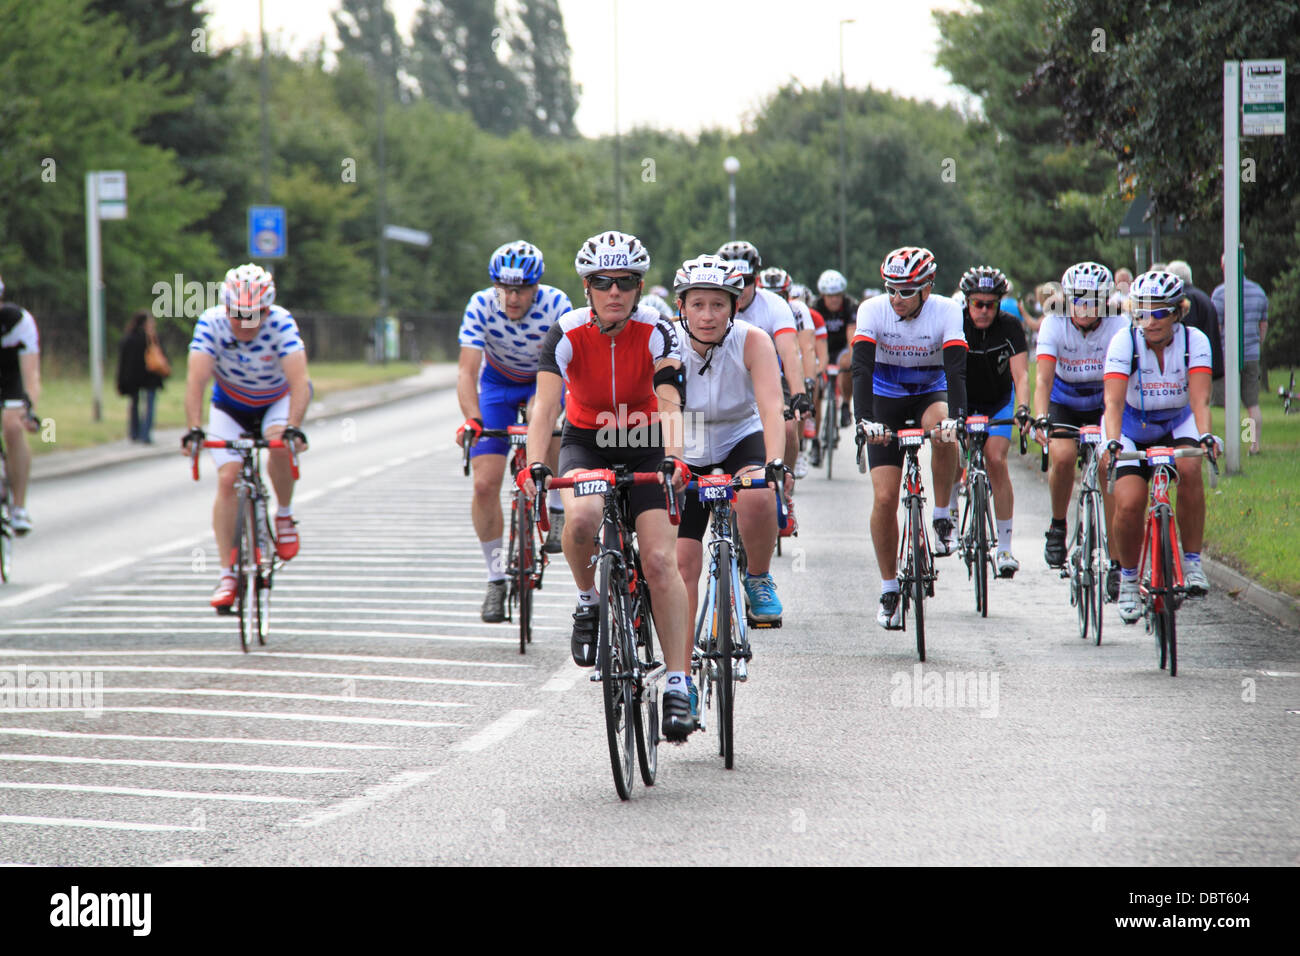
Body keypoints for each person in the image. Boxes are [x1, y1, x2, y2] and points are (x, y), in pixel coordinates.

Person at [518, 230, 696, 742]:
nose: (614, 291)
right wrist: (534, 463)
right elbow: (546, 406)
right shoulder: (567, 332)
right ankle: (588, 602)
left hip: (645, 440)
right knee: (581, 519)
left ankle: (679, 682)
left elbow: (670, 402)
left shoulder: (660, 329)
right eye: (602, 282)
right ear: (586, 285)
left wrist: (676, 460)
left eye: (624, 282)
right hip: (587, 440)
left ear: (639, 287)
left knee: (661, 561)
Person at [181, 264, 310, 611]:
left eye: (253, 314)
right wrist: (194, 427)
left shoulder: (281, 323)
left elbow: (300, 383)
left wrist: (294, 425)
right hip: (230, 405)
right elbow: (196, 381)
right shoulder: (211, 322)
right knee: (227, 479)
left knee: (280, 444)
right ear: (226, 308)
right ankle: (227, 574)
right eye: (237, 313)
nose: (243, 322)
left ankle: (283, 514)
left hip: (274, 401)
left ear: (267, 310)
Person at [455, 241, 572, 623]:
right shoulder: (480, 305)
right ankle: (494, 578)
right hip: (498, 386)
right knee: (484, 485)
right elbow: (467, 373)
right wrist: (473, 419)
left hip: (544, 379)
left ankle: (555, 510)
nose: (512, 297)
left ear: (537, 286)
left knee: (546, 418)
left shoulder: (557, 304)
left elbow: (570, 365)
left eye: (521, 289)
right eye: (504, 288)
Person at [674, 255, 792, 628]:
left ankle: (757, 577)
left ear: (734, 307)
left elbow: (773, 408)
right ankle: (685, 663)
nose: (707, 315)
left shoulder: (753, 340)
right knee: (682, 565)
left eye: (718, 304)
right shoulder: (666, 342)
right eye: (698, 305)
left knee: (758, 496)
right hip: (686, 441)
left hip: (740, 433)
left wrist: (775, 464)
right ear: (682, 307)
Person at [853, 246, 967, 630]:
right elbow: (862, 367)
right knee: (885, 498)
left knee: (945, 432)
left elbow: (955, 369)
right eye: (891, 289)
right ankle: (888, 587)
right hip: (884, 399)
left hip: (928, 393)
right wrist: (864, 420)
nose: (897, 299)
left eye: (907, 291)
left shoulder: (948, 310)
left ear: (928, 287)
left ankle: (940, 515)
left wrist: (960, 418)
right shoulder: (872, 310)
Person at [1103, 270, 1215, 621]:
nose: (1148, 321)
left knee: (1190, 465)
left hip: (1176, 422)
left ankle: (1193, 563)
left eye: (1158, 312)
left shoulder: (1195, 341)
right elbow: (1113, 403)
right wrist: (1111, 441)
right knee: (1130, 502)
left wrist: (1207, 436)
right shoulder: (1125, 341)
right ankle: (1128, 579)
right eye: (1141, 312)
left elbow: (1200, 402)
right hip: (1133, 427)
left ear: (1177, 312)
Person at [1031, 262, 1128, 593]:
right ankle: (1058, 526)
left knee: (1108, 466)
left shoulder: (1119, 323)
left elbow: (1126, 381)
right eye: (1078, 300)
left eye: (1093, 300)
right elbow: (1043, 379)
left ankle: (1117, 563)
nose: (1085, 308)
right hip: (1066, 401)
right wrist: (1041, 416)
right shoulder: (1053, 323)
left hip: (1105, 401)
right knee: (1061, 456)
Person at [952, 266, 1030, 576]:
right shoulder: (955, 322)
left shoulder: (1010, 326)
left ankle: (1005, 548)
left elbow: (1022, 374)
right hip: (964, 401)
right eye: (977, 304)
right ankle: (949, 517)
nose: (984, 310)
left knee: (996, 459)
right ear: (967, 301)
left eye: (991, 304)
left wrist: (1023, 408)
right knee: (953, 455)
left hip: (999, 401)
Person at [759, 266, 820, 478]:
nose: (775, 298)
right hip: (753, 370)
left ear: (788, 294)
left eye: (780, 295)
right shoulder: (750, 306)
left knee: (789, 423)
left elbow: (806, 348)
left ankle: (790, 473)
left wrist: (807, 383)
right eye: (769, 293)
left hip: (783, 368)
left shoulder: (797, 310)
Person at [1211, 252, 1268, 454]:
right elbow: (1263, 324)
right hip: (1252, 354)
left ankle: (1234, 442)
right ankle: (1253, 444)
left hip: (1228, 355)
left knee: (1230, 403)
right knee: (1251, 403)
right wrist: (1256, 344)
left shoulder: (1220, 293)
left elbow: (1216, 327)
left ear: (1224, 267)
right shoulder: (1258, 291)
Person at [0, 273, 40, 535]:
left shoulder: (19, 321)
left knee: (12, 427)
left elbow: (32, 376)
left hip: (11, 379)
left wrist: (30, 410)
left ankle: (18, 506)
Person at [1165, 260, 1223, 387]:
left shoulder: (1186, 298)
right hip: (1209, 358)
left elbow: (1186, 330)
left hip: (1195, 363)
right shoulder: (1202, 295)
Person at [813, 269, 858, 427]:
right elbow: (808, 337)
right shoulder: (815, 307)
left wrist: (854, 359)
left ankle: (846, 403)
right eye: (830, 296)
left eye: (838, 295)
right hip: (820, 347)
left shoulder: (850, 305)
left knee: (848, 363)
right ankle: (816, 439)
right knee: (814, 383)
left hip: (841, 348)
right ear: (822, 295)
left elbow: (852, 335)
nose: (834, 300)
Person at [116, 310, 168, 444]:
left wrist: (121, 379)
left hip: (133, 379)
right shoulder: (151, 338)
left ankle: (135, 433)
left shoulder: (129, 338)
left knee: (135, 404)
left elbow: (123, 361)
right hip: (150, 377)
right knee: (149, 405)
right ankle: (145, 434)